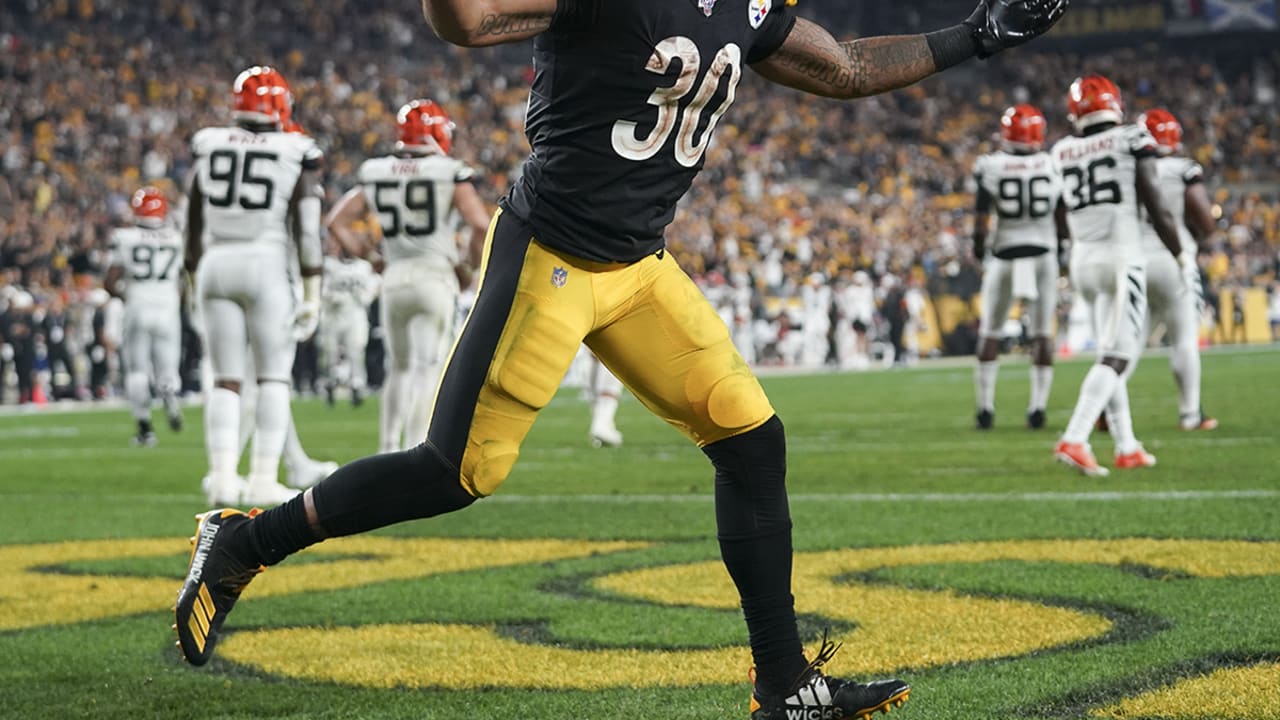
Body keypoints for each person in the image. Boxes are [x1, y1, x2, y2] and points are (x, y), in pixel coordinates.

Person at [176, 3, 1068, 719]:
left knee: (753, 440)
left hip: (639, 265)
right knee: (454, 475)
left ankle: (784, 683)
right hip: (552, 257)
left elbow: (844, 70)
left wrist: (979, 35)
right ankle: (245, 541)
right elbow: (468, 19)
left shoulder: (748, 4)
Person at [185, 66, 325, 506]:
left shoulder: (210, 144)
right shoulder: (294, 150)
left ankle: (223, 474)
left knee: (226, 380)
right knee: (272, 378)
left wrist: (190, 280)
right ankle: (263, 476)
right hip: (264, 263)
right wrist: (312, 290)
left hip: (215, 262)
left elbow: (191, 222)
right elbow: (306, 231)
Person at [324, 99, 491, 453]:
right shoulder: (448, 171)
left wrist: (371, 257)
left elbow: (336, 221)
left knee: (397, 369)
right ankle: (415, 450)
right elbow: (479, 224)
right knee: (427, 367)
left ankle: (387, 448)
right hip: (434, 276)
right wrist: (469, 267)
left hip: (395, 277)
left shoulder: (377, 170)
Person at [1051, 75, 1189, 477]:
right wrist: (1181, 254)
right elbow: (1157, 204)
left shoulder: (1060, 150)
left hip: (1083, 260)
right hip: (1121, 256)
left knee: (1107, 354)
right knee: (1120, 354)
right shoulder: (1132, 138)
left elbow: (1059, 212)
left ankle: (1127, 444)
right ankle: (1075, 437)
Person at [971, 104, 1067, 431]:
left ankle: (985, 408)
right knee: (1042, 333)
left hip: (1005, 253)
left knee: (990, 332)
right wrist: (1064, 249)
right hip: (1043, 253)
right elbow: (1061, 213)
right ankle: (1037, 408)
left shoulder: (991, 165)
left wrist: (979, 247)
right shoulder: (1052, 163)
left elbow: (982, 216)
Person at [1135, 108, 1218, 431]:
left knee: (1128, 344)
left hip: (1136, 262)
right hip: (1174, 260)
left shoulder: (1130, 169)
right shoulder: (1183, 168)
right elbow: (1206, 221)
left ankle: (1105, 406)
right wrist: (1200, 234)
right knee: (1183, 338)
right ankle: (1189, 414)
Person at [103, 187, 186, 445]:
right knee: (168, 367)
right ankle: (170, 396)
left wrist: (127, 296)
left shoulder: (124, 237)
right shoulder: (176, 237)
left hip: (138, 305)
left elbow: (109, 281)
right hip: (167, 306)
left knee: (137, 370)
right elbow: (184, 279)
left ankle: (145, 429)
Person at [319, 240, 380, 408]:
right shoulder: (329, 265)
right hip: (334, 314)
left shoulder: (363, 267)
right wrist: (332, 297)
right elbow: (321, 288)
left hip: (355, 313)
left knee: (356, 352)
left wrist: (365, 297)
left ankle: (357, 386)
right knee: (329, 352)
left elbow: (375, 284)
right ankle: (330, 383)